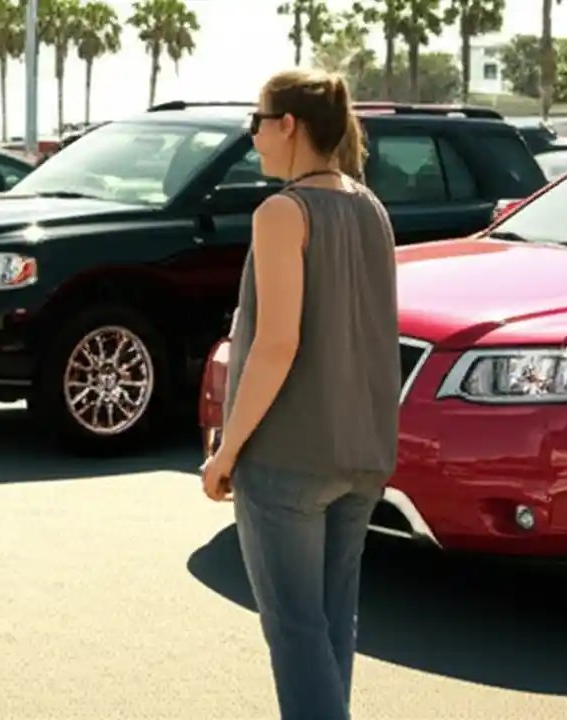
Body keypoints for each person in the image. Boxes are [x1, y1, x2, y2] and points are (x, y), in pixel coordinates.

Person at [199, 69, 399, 720]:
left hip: (289, 458)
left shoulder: (283, 212)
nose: (253, 138)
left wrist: (227, 451)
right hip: (361, 453)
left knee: (295, 631)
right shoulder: (370, 208)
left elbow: (276, 345)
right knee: (331, 623)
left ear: (288, 125)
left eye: (256, 123)